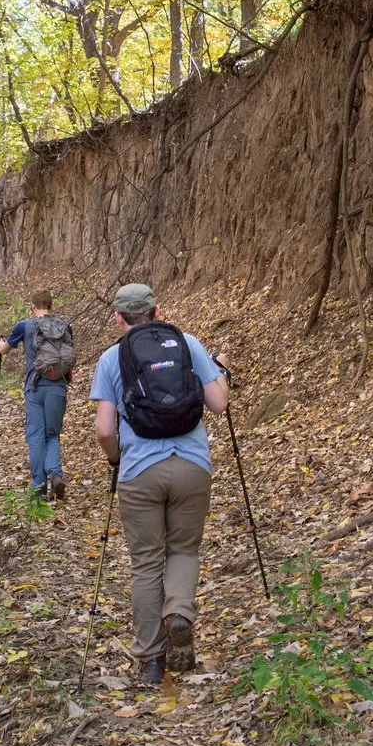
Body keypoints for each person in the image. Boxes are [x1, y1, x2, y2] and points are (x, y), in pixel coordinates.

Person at [89, 283, 228, 686]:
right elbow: (219, 404)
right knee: (183, 548)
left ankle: (151, 661)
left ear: (118, 318)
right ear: (157, 310)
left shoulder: (111, 358)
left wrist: (117, 459)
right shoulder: (188, 344)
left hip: (139, 472)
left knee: (146, 562)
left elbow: (102, 430)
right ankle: (180, 614)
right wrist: (222, 373)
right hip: (192, 466)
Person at [0, 290, 73, 500]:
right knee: (52, 433)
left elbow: (4, 350)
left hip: (35, 387)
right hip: (58, 387)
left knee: (36, 435)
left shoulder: (25, 326)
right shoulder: (65, 326)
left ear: (32, 306)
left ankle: (39, 486)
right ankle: (56, 475)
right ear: (52, 305)